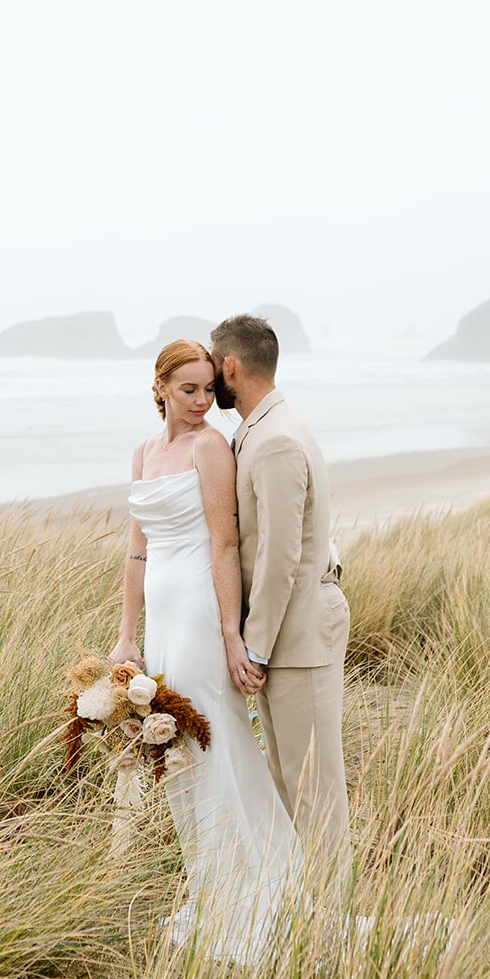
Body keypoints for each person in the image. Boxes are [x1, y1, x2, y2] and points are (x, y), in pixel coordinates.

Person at [109, 338, 300, 960]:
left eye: (207, 389)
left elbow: (224, 544)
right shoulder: (143, 451)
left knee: (203, 738)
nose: (202, 402)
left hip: (198, 612)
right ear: (160, 386)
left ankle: (250, 891)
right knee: (176, 746)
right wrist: (126, 634)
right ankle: (212, 882)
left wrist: (230, 633)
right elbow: (137, 551)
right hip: (160, 619)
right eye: (187, 390)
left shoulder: (210, 447)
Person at [208, 314, 351, 876]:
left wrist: (255, 645)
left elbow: (281, 555)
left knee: (314, 789)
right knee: (289, 781)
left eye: (214, 366)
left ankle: (335, 920)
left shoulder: (276, 440)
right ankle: (302, 909)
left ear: (231, 367)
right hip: (290, 630)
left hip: (298, 635)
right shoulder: (262, 429)